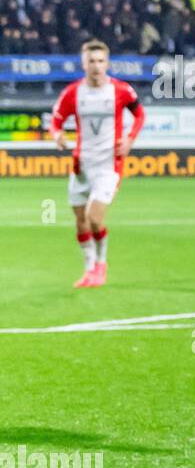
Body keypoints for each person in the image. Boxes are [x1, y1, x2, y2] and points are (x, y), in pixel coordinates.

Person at [50, 39, 145, 288]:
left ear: (107, 63)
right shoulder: (73, 93)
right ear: (84, 63)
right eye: (91, 61)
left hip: (108, 164)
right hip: (81, 165)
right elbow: (56, 121)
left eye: (101, 61)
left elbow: (139, 114)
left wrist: (130, 138)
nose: (96, 65)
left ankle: (101, 264)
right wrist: (57, 135)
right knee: (80, 220)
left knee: (94, 218)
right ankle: (89, 269)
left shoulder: (120, 90)